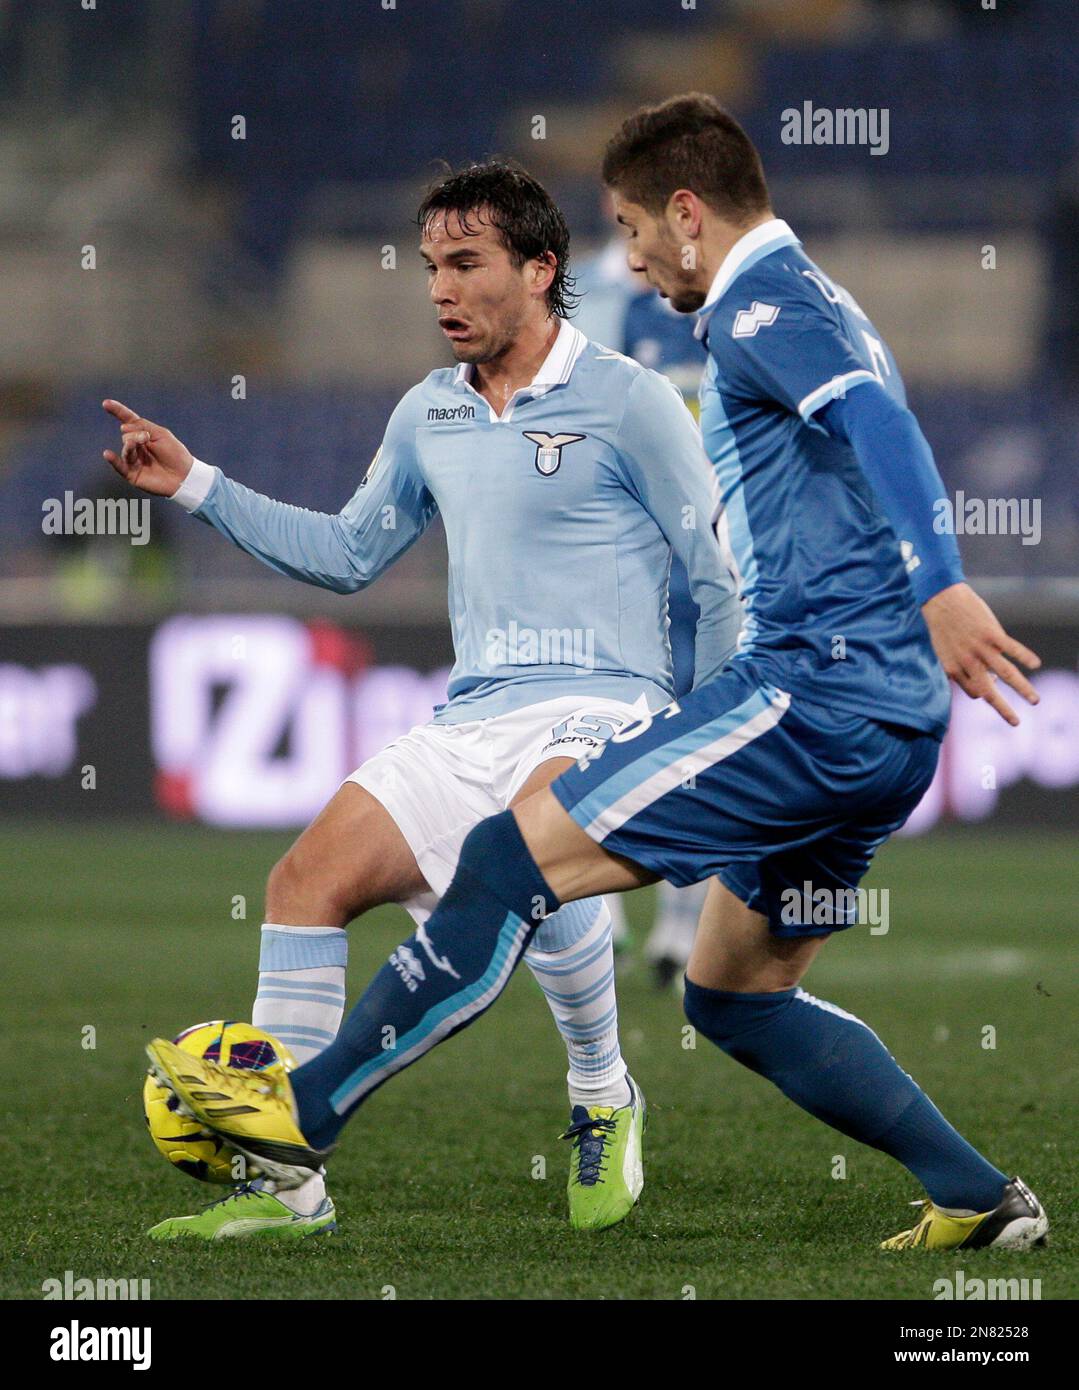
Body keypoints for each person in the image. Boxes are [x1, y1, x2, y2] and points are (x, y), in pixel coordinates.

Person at [148, 99, 1048, 1252]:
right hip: (885, 718)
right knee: (732, 997)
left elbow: (875, 427)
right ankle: (977, 1197)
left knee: (505, 857)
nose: (625, 258)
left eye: (630, 229)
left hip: (806, 694)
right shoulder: (821, 304)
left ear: (685, 213)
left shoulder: (756, 308)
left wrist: (941, 584)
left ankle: (299, 1119)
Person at [108, 160, 739, 1238]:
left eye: (466, 264)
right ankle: (287, 1192)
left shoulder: (632, 401)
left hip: (609, 704)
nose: (440, 290)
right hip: (472, 715)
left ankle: (599, 1089)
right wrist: (199, 484)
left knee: (519, 860)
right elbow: (352, 553)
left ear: (540, 269)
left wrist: (717, 737)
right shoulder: (428, 412)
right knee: (305, 878)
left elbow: (716, 582)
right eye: (429, 267)